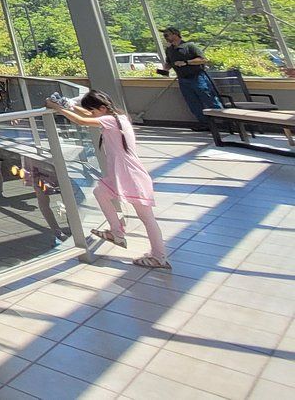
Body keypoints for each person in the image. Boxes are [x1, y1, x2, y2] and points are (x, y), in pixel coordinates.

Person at [45, 89, 168, 269]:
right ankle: (116, 232)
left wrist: (58, 107)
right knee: (100, 192)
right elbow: (88, 114)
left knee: (146, 217)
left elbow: (82, 120)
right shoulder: (117, 118)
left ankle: (159, 256)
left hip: (129, 175)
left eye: (94, 111)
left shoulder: (110, 121)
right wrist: (69, 105)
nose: (93, 114)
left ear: (102, 108)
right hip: (122, 174)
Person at [157, 27, 224, 128]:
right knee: (193, 103)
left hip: (197, 77)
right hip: (183, 79)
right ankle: (205, 124)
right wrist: (165, 69)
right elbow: (169, 63)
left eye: (167, 35)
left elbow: (203, 59)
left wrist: (186, 62)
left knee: (209, 99)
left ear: (175, 34)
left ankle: (226, 123)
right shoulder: (169, 50)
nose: (165, 37)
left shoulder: (189, 46)